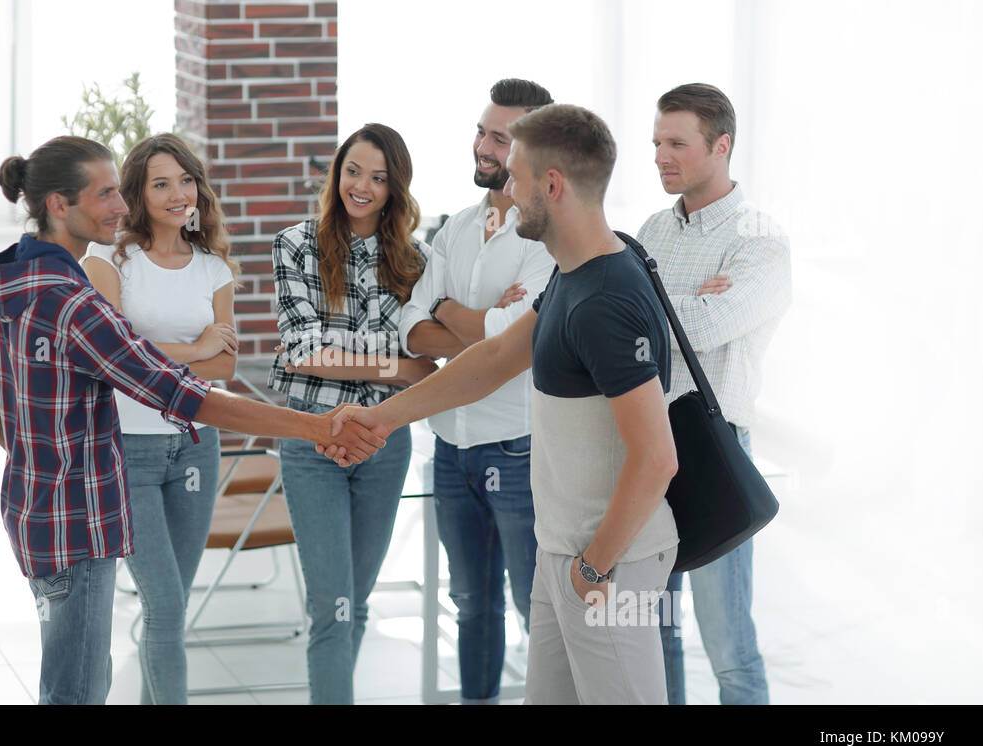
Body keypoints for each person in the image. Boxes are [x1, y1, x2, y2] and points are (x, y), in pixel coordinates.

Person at [0, 135, 383, 705]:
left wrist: (23, 449)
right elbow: (184, 394)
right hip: (80, 521)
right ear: (58, 204)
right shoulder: (75, 302)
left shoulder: (7, 281)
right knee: (77, 691)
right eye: (106, 194)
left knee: (75, 679)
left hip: (38, 510)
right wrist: (318, 427)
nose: (121, 206)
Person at [324, 104, 680, 704]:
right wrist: (379, 418)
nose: (506, 189)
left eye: (515, 176)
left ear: (552, 185)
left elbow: (657, 458)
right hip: (564, 550)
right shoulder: (572, 275)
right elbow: (491, 361)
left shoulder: (606, 299)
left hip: (609, 562)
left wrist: (593, 568)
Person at [397, 77, 555, 704]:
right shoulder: (458, 227)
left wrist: (451, 312)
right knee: (470, 605)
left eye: (499, 137)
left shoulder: (545, 235)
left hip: (515, 450)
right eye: (481, 131)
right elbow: (411, 328)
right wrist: (476, 322)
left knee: (532, 605)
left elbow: (510, 346)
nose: (483, 146)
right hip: (450, 447)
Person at [268, 122, 438, 704]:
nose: (361, 186)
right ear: (338, 173)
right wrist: (397, 366)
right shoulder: (295, 244)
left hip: (385, 444)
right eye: (353, 171)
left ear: (396, 188)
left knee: (355, 603)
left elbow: (432, 356)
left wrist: (375, 362)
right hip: (313, 440)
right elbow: (306, 350)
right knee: (331, 608)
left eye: (379, 177)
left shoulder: (416, 259)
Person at [639, 83, 791, 705]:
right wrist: (695, 297)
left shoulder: (761, 240)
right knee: (656, 629)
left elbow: (700, 331)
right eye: (656, 142)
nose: (660, 156)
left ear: (721, 146)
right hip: (645, 445)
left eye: (676, 143)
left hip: (713, 447)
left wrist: (669, 310)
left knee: (728, 640)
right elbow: (630, 327)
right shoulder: (651, 228)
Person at [80, 133, 238, 704]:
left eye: (185, 180)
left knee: (170, 608)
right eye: (160, 184)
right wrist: (192, 349)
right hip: (128, 445)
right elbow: (113, 358)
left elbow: (226, 359)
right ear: (137, 194)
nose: (177, 195)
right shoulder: (107, 260)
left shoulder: (212, 268)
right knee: (165, 605)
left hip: (196, 444)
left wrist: (166, 350)